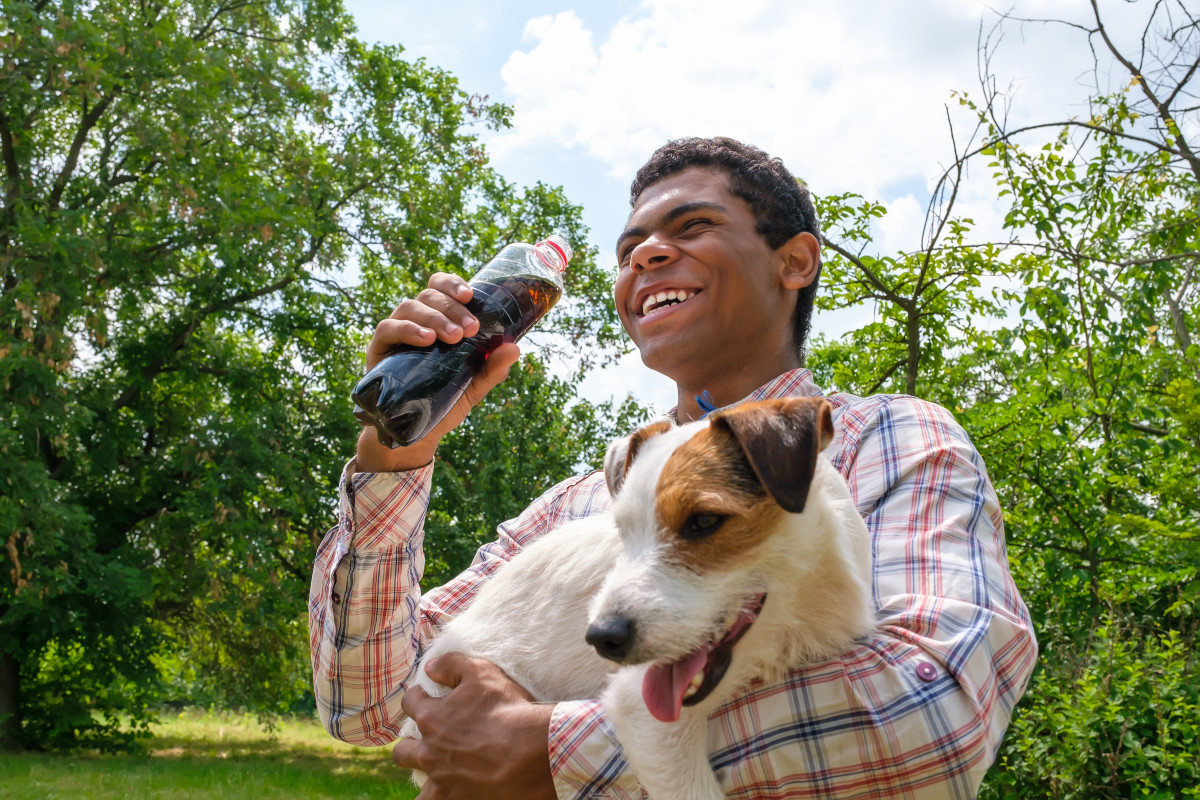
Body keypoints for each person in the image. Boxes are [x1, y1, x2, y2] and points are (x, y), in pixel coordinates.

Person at [308, 137, 1037, 799]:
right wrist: (395, 449)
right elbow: (367, 702)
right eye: (629, 251)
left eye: (692, 228)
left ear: (796, 260)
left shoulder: (894, 440)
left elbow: (934, 719)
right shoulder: (585, 499)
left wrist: (546, 748)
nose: (646, 257)